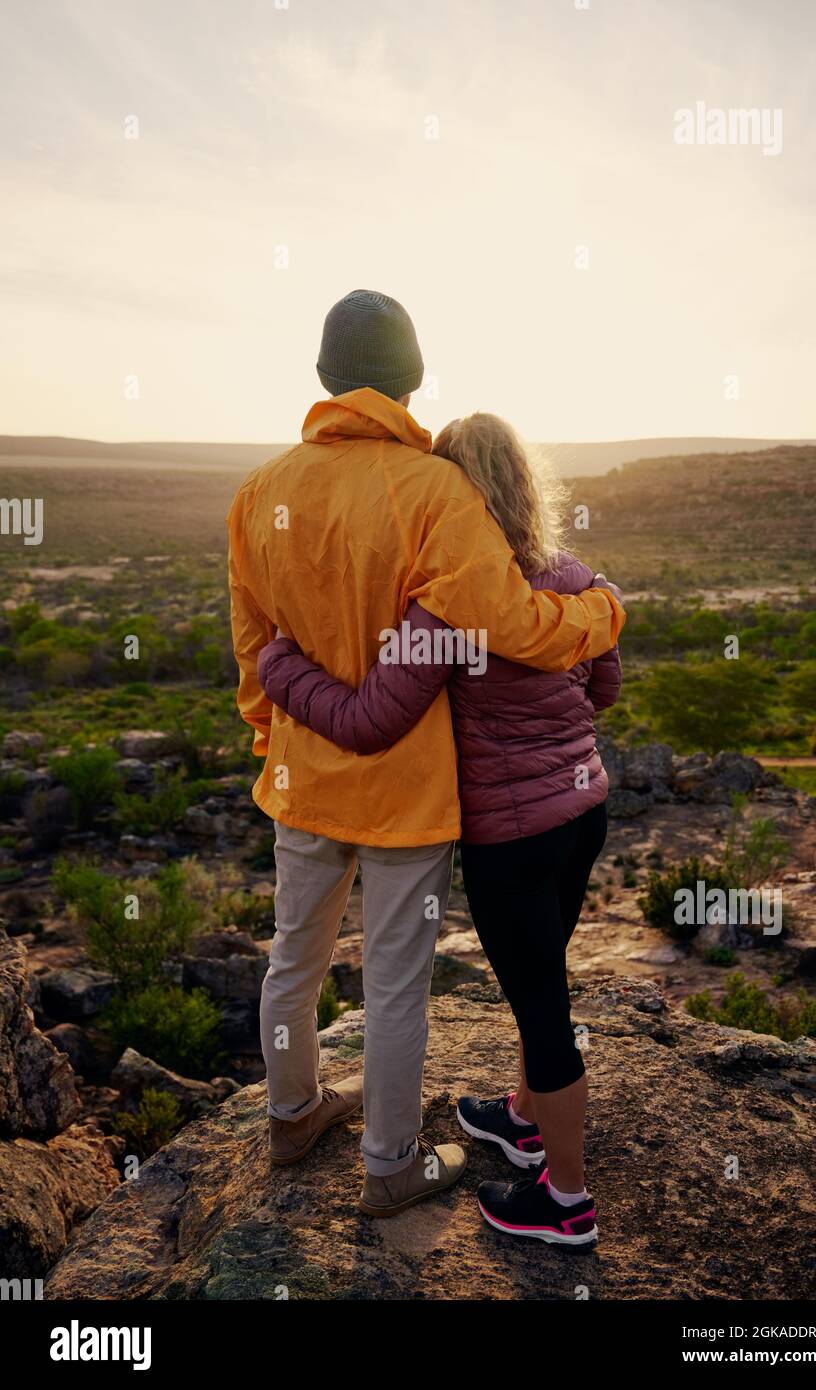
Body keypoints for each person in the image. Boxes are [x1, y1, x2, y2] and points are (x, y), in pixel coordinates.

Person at [228, 290, 625, 1218]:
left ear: (324, 379)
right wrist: (602, 613)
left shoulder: (259, 493)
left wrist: (271, 743)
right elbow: (515, 625)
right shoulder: (435, 491)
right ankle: (390, 1164)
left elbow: (255, 651)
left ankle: (292, 1116)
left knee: (293, 958)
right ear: (412, 382)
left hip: (301, 772)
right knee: (396, 981)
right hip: (408, 785)